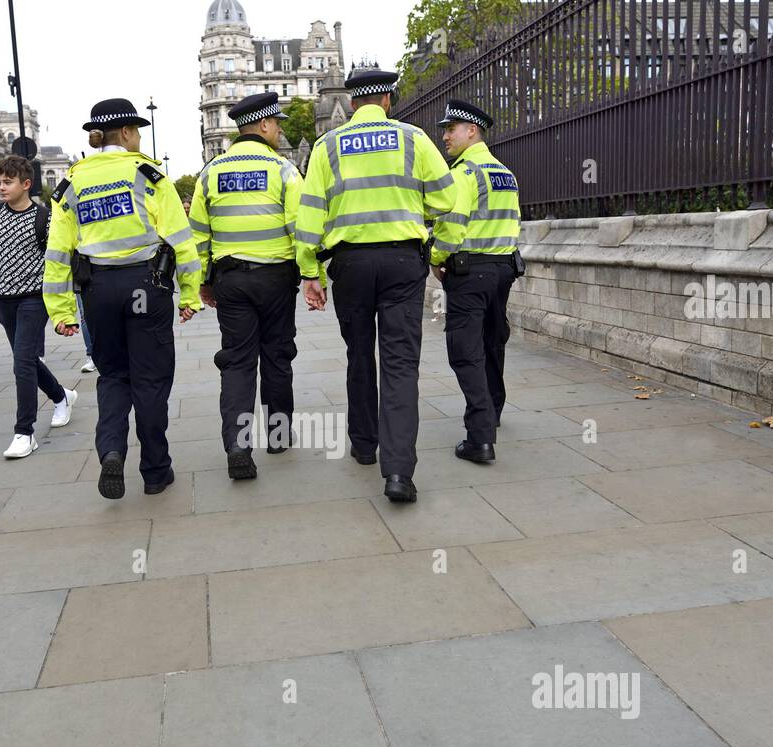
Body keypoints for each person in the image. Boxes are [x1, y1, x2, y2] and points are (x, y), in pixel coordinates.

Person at [295, 69, 464, 503]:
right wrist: (412, 206)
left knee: (359, 353)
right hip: (402, 260)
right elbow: (447, 198)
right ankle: (399, 473)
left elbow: (311, 212)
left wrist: (309, 271)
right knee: (400, 363)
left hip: (349, 264)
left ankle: (364, 444)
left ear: (352, 104)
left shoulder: (327, 146)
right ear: (387, 100)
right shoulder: (412, 138)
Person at [44, 97, 202, 499]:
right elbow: (180, 239)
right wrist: (190, 294)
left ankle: (112, 450)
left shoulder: (71, 183)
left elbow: (58, 252)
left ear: (97, 137)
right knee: (150, 380)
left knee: (113, 377)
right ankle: (155, 470)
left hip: (97, 291)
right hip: (146, 286)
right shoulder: (147, 174)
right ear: (128, 132)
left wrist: (60, 310)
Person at [191, 91, 308, 480]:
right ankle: (277, 435)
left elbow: (199, 235)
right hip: (275, 278)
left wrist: (204, 281)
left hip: (231, 279)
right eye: (276, 124)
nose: (278, 131)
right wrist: (311, 275)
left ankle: (238, 446)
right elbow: (300, 228)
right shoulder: (284, 170)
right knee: (277, 356)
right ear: (262, 125)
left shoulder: (211, 171)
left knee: (238, 361)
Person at [0, 156, 76, 460]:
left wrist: (65, 307)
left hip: (34, 298)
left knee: (22, 362)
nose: (1, 187)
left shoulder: (45, 218)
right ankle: (61, 395)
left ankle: (24, 432)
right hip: (5, 299)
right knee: (25, 360)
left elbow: (59, 261)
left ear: (25, 184)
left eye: (7, 182)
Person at [431, 99, 523, 465]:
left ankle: (480, 437)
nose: (444, 136)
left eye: (451, 129)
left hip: (469, 273)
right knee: (493, 340)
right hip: (502, 269)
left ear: (472, 131)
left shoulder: (464, 173)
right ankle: (494, 411)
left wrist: (437, 259)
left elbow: (452, 225)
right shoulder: (504, 172)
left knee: (465, 350)